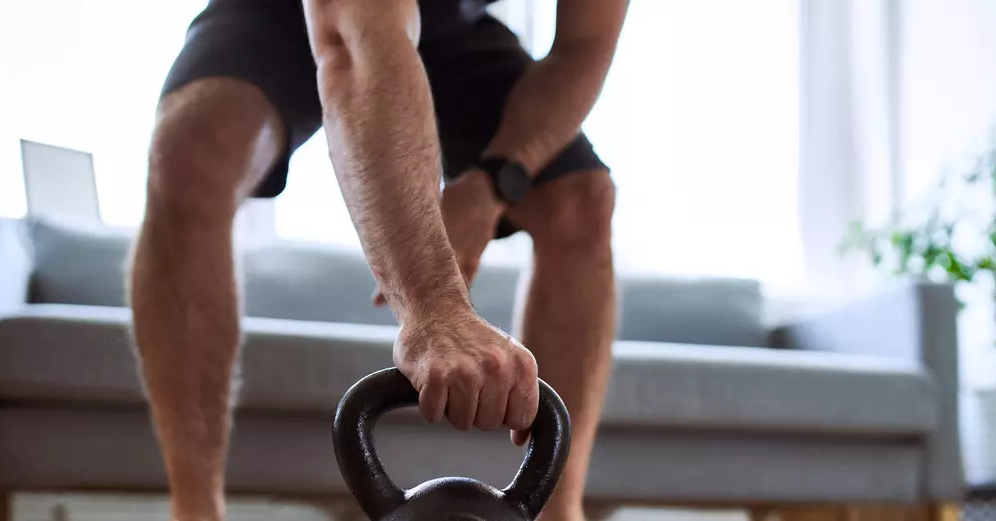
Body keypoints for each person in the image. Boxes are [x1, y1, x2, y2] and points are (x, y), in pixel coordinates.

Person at [125, 0, 628, 519]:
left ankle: (557, 513)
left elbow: (583, 47)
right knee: (190, 157)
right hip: (294, 12)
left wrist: (492, 183)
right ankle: (195, 508)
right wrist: (434, 308)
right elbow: (354, 45)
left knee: (581, 201)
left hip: (449, 22)